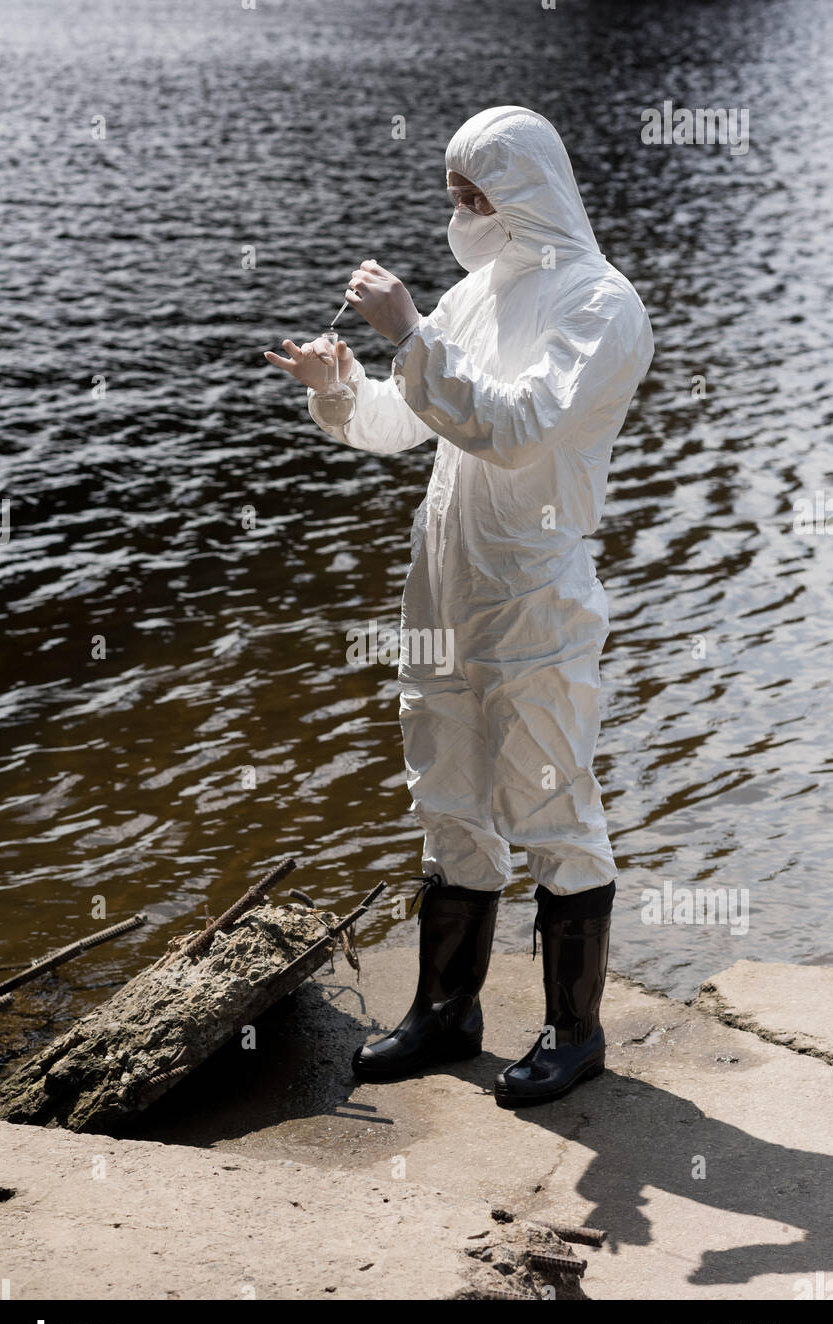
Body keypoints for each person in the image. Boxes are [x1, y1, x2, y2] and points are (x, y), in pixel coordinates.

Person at [265, 106, 654, 1107]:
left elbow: (516, 428)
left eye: (478, 197)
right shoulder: (479, 293)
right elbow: (413, 420)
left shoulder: (603, 307)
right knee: (446, 798)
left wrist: (411, 331)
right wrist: (342, 387)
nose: (466, 216)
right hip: (443, 586)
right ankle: (447, 1012)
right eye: (456, 198)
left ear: (530, 189)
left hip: (534, 595)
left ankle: (575, 1034)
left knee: (552, 802)